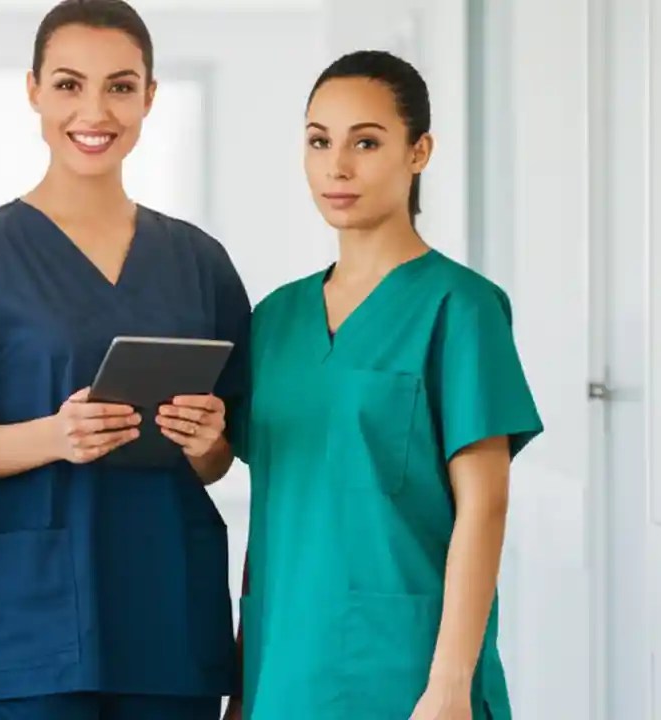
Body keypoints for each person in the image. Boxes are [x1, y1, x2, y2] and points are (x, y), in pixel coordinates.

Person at [0, 1, 250, 718]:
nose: (95, 110)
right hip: (33, 623)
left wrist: (210, 443)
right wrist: (55, 435)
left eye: (119, 86)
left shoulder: (199, 262)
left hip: (169, 615)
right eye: (68, 84)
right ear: (33, 92)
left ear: (149, 96)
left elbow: (221, 456)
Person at [227, 50, 543, 720]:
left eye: (365, 142)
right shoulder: (275, 318)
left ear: (419, 151)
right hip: (283, 668)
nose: (337, 166)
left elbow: (484, 506)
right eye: (319, 142)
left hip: (407, 672)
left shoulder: (461, 308)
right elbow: (277, 514)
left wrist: (452, 684)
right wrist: (242, 682)